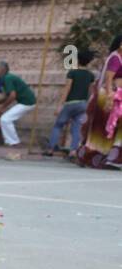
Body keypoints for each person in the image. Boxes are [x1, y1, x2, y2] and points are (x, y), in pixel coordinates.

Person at [75, 34, 122, 169]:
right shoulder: (115, 58)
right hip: (110, 95)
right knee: (102, 128)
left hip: (117, 95)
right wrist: (109, 96)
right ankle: (91, 156)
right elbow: (108, 79)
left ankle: (111, 158)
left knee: (112, 129)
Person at [43, 48, 94, 156]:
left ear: (77, 60)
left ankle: (50, 149)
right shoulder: (90, 76)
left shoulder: (72, 73)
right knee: (76, 127)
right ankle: (73, 151)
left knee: (58, 125)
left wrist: (59, 105)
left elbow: (67, 89)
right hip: (83, 104)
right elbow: (90, 92)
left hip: (70, 103)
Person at [0, 61, 36, 151]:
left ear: (2, 69)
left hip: (27, 102)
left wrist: (2, 108)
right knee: (6, 119)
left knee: (5, 119)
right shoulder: (7, 77)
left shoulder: (7, 78)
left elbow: (12, 96)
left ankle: (14, 142)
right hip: (27, 101)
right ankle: (12, 141)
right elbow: (8, 95)